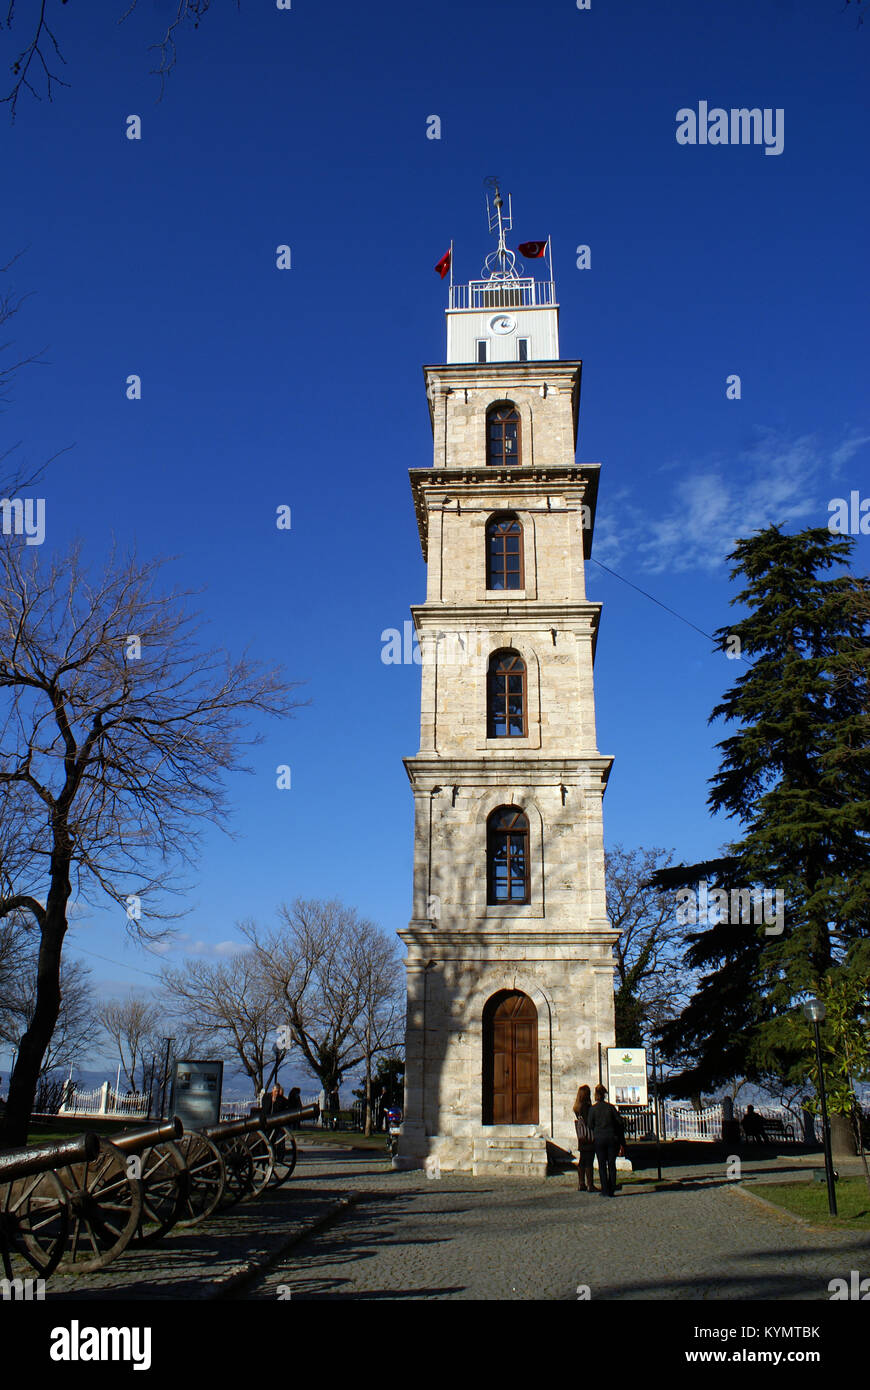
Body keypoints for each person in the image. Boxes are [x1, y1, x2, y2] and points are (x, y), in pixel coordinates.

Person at [587, 1083, 626, 1198]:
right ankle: (612, 1188)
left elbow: (590, 1125)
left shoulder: (593, 1109)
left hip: (599, 1138)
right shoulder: (611, 1107)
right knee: (612, 1164)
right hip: (611, 1138)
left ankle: (604, 1189)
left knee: (602, 1164)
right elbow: (619, 1122)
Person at [572, 1083, 596, 1192]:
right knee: (588, 1160)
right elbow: (589, 1122)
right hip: (588, 1137)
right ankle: (590, 1185)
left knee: (582, 1160)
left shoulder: (577, 1108)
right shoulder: (586, 1106)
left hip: (582, 1137)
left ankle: (581, 1183)